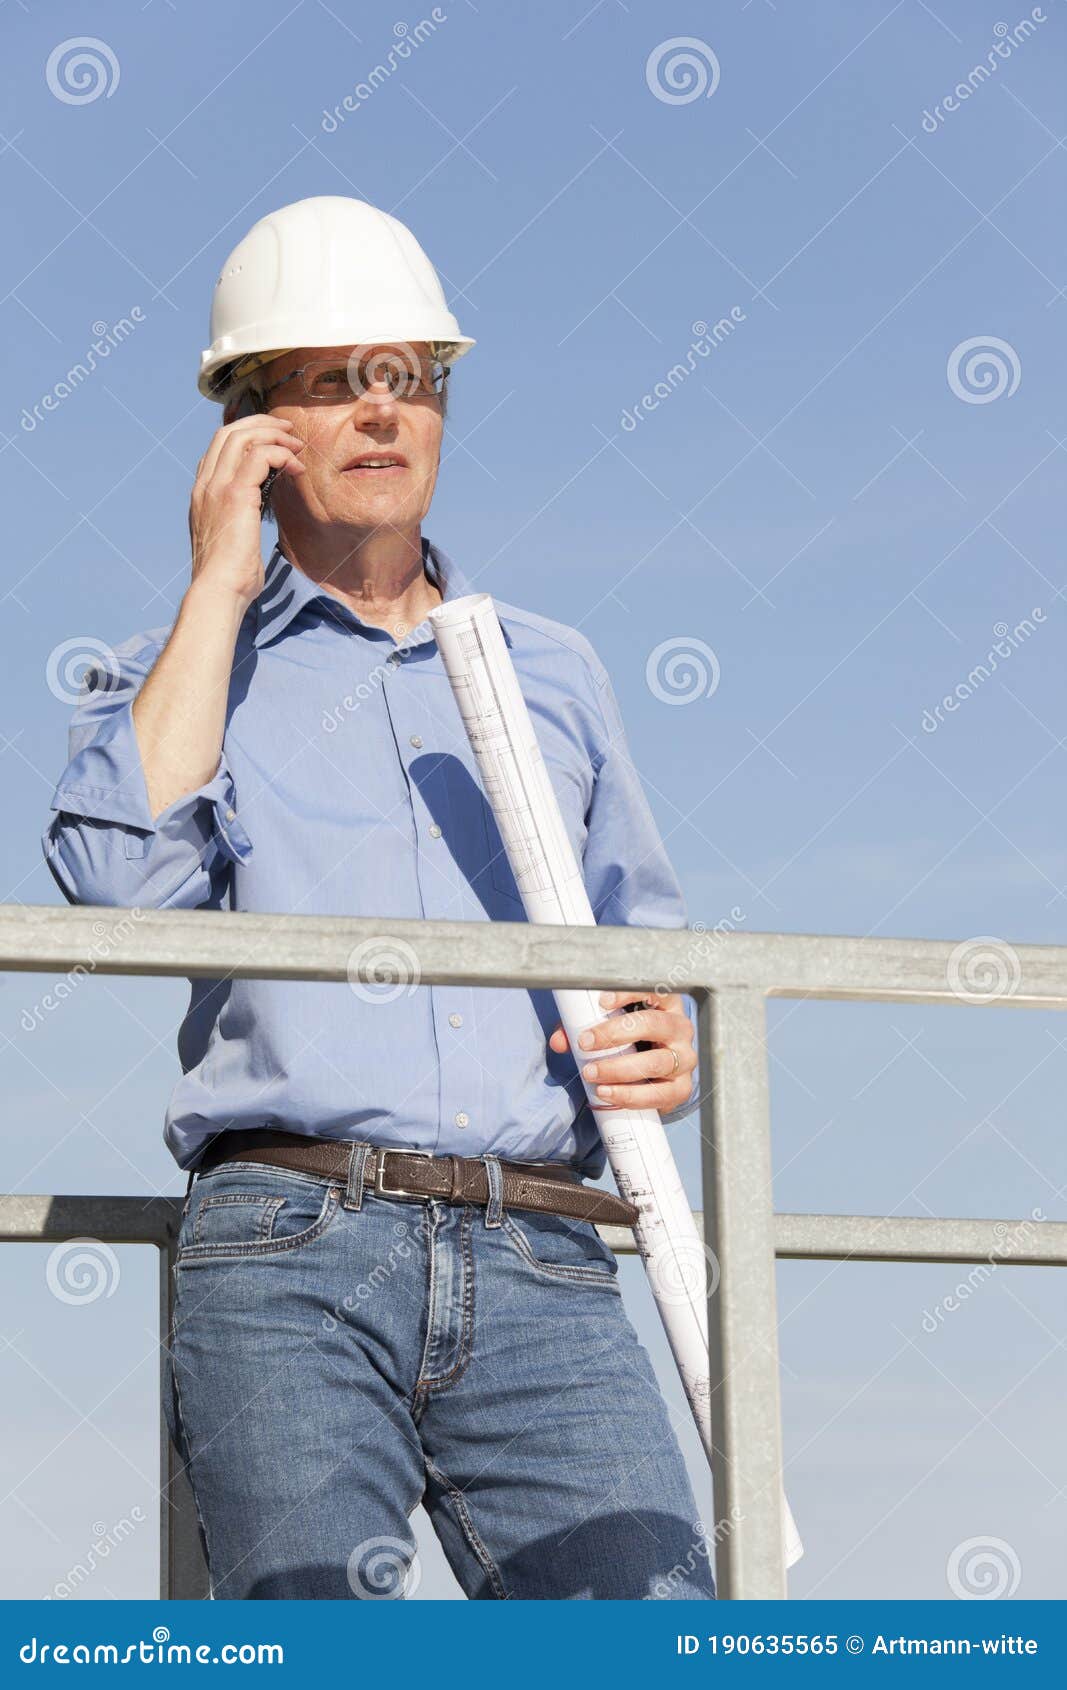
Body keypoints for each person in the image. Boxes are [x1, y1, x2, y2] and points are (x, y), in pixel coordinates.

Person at [42, 196, 713, 1601]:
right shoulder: (179, 667)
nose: (381, 410)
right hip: (291, 1248)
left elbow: (647, 954)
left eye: (408, 377)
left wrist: (668, 1036)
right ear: (252, 428)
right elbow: (110, 887)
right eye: (334, 380)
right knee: (317, 1644)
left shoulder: (556, 672)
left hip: (543, 1243)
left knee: (655, 1631)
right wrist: (218, 584)